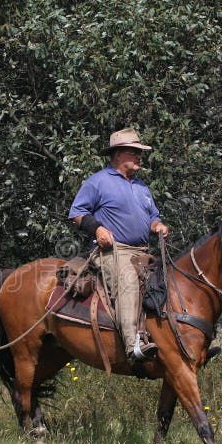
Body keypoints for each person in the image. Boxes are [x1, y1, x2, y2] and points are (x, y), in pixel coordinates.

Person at [68, 127, 169, 364]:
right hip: (113, 252)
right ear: (118, 155)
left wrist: (158, 225)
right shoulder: (98, 182)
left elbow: (153, 215)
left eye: (139, 152)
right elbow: (77, 212)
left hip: (143, 252)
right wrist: (98, 228)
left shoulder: (142, 187)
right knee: (128, 282)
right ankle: (133, 345)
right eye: (133, 152)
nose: (139, 157)